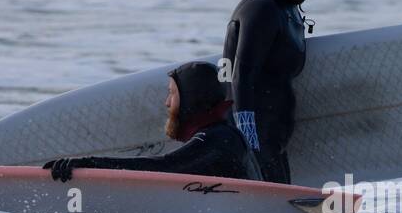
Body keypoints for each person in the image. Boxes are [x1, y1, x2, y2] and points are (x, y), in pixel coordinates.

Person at [42, 61, 259, 183]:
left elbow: (166, 167)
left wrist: (89, 165)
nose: (166, 103)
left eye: (172, 94)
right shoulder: (220, 134)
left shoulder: (219, 138)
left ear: (192, 99)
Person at [223, 0, 325, 184]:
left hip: (274, 133)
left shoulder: (289, 8)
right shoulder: (263, 8)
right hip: (255, 133)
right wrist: (248, 136)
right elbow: (241, 76)